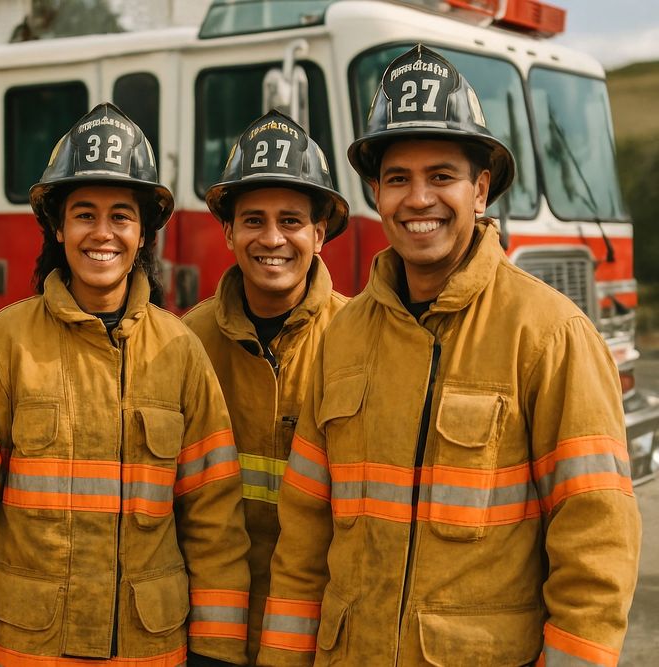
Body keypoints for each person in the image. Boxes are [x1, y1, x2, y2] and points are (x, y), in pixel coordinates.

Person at [257, 45, 641, 666]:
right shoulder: (343, 338)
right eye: (398, 179)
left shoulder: (549, 334)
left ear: (480, 189)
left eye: (442, 176)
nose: (418, 199)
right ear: (376, 194)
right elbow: (304, 537)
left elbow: (595, 544)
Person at [0, 103, 251, 667]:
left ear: (144, 232)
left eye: (121, 216)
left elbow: (214, 523)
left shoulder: (180, 353)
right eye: (84, 215)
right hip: (27, 651)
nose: (103, 234)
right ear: (58, 226)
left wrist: (216, 654)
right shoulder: (5, 344)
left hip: (151, 653)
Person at [182, 110, 348, 664]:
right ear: (227, 231)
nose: (272, 238)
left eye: (292, 221)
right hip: (210, 626)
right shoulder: (184, 344)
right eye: (253, 220)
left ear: (319, 233)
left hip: (327, 628)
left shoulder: (361, 341)